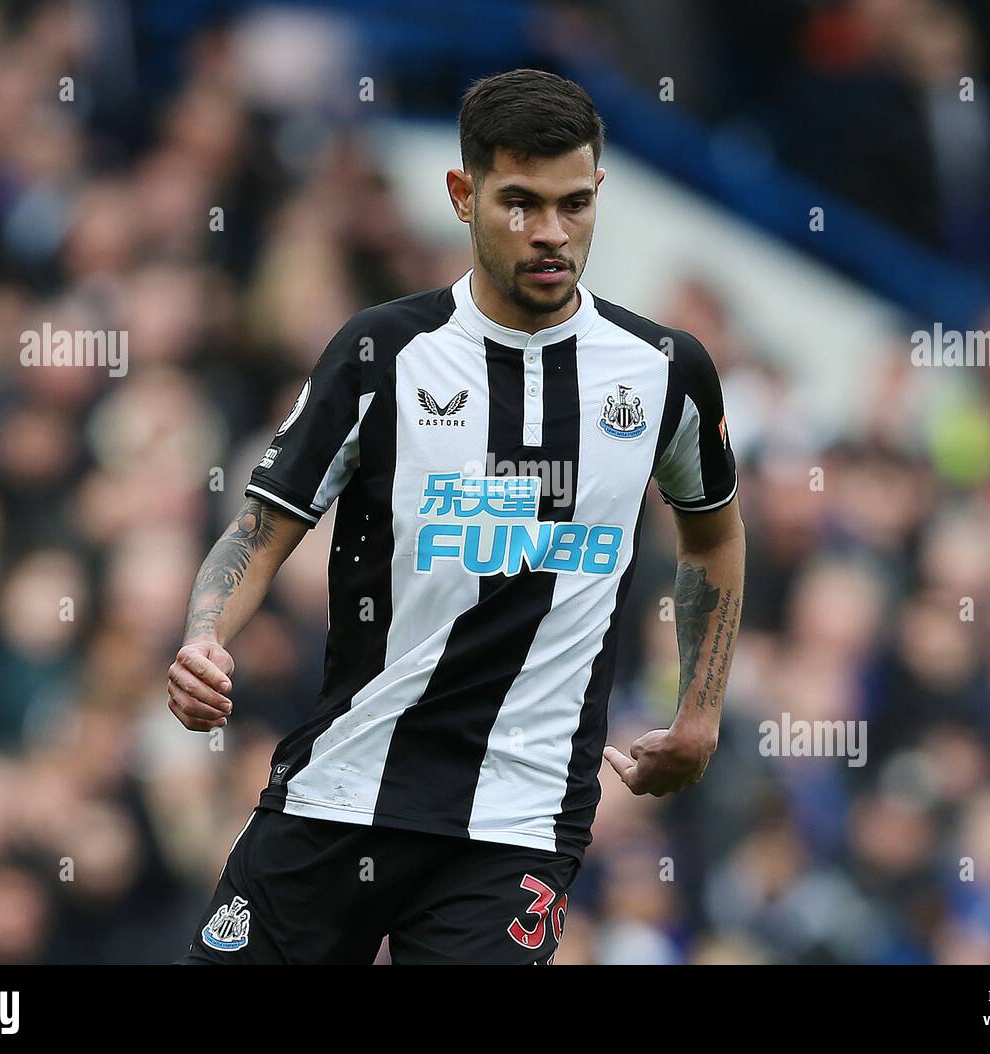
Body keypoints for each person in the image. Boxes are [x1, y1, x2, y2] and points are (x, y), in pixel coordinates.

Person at [170, 68, 746, 965]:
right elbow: (262, 527)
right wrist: (205, 635)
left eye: (574, 204)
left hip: (519, 820)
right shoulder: (380, 354)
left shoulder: (664, 370)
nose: (551, 234)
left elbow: (711, 530)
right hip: (344, 788)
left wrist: (701, 710)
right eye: (520, 203)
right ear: (462, 194)